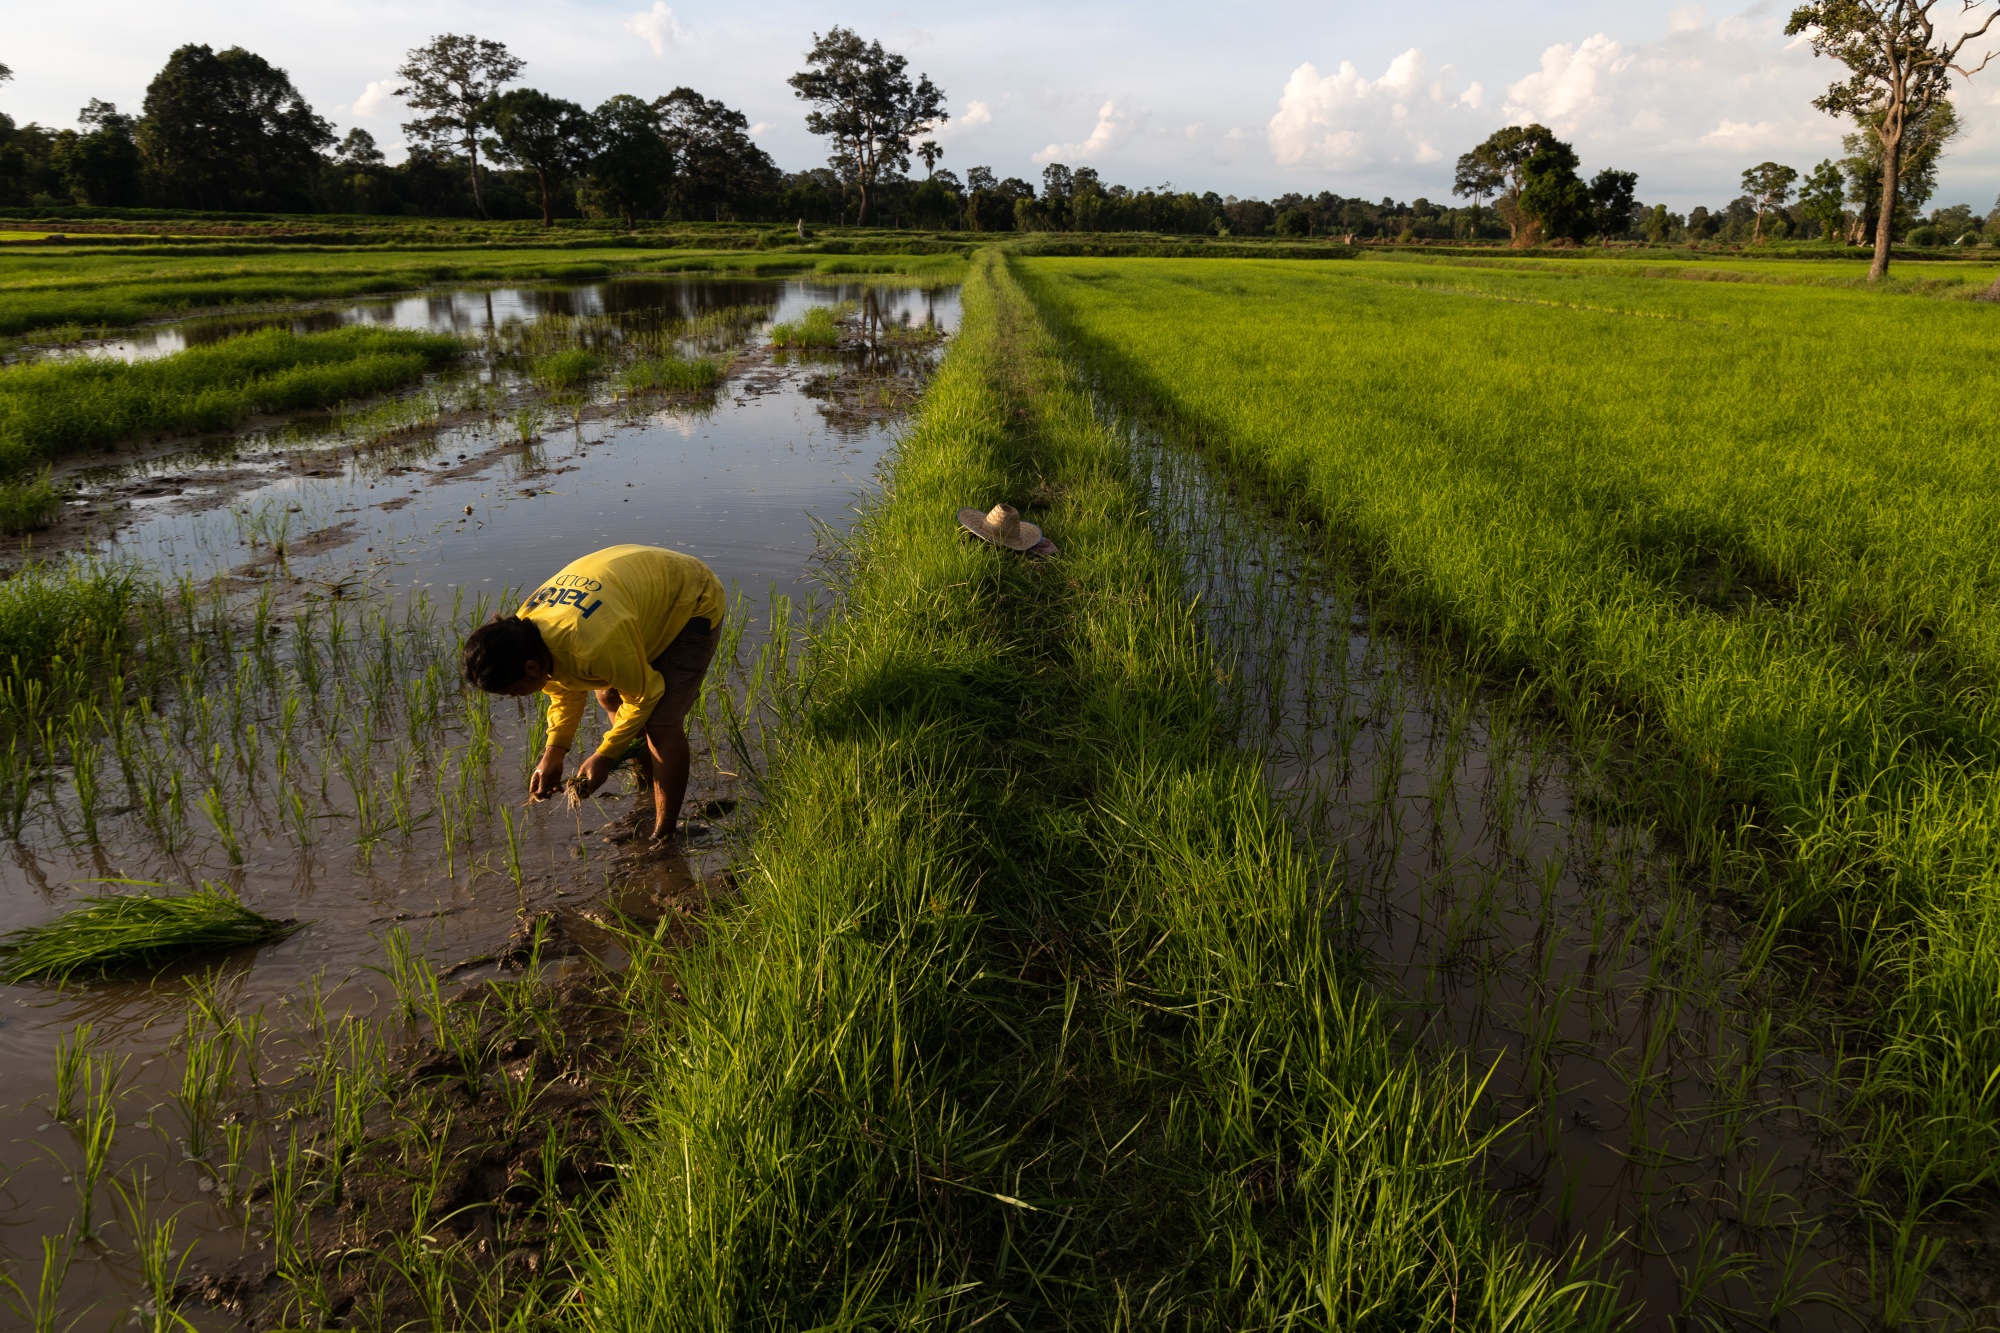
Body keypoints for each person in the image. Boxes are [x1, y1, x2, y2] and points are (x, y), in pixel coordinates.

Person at [461, 544, 724, 846]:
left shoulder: (592, 643)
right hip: (634, 599)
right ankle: (646, 788)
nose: (512, 697)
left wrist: (605, 755)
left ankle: (664, 833)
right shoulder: (524, 635)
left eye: (510, 690)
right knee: (609, 696)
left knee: (661, 724)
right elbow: (563, 688)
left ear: (531, 668)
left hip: (690, 596)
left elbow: (645, 695)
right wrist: (554, 753)